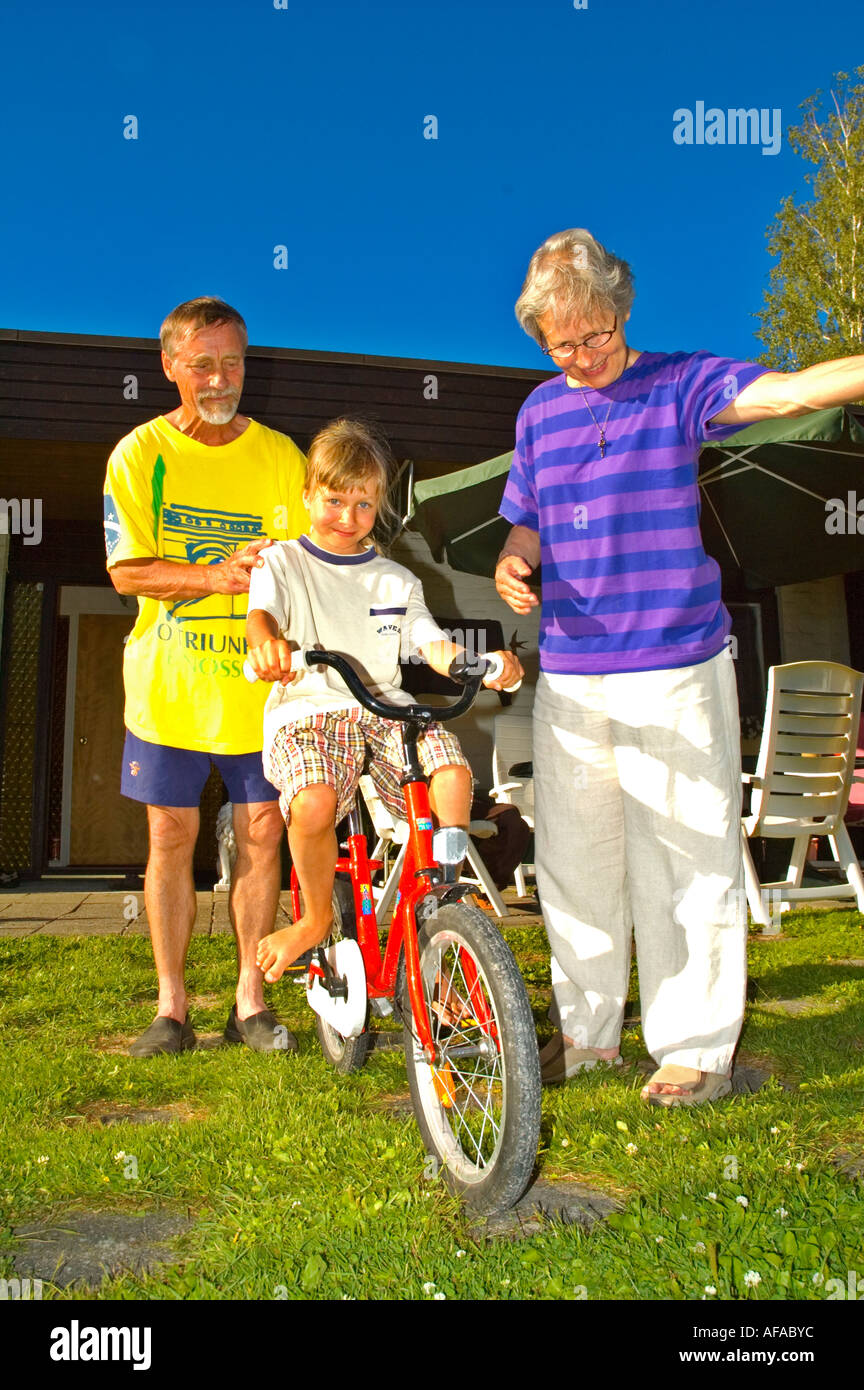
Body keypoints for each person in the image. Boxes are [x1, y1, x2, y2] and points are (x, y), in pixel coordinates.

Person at [495, 228, 864, 1106]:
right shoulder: (539, 413)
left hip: (678, 663)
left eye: (597, 335)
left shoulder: (680, 381)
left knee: (686, 855)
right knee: (576, 863)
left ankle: (693, 1047)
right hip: (576, 675)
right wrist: (515, 559)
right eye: (563, 344)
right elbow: (525, 519)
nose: (583, 357)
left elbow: (789, 393)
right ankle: (585, 1036)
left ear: (623, 311)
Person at [245, 418, 523, 981]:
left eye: (364, 505)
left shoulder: (397, 580)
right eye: (334, 500)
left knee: (451, 774)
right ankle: (316, 918)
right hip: (310, 710)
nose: (348, 518)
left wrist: (484, 666)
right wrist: (268, 645)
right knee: (315, 803)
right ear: (306, 496)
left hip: (387, 712)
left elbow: (430, 644)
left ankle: (442, 898)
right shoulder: (281, 562)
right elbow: (262, 616)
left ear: (380, 507)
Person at [104, 297, 308, 1056]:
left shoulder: (284, 458)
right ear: (170, 366)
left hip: (263, 694)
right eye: (203, 364)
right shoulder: (139, 454)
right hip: (170, 692)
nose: (221, 379)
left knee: (263, 831)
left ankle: (250, 1002)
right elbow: (126, 573)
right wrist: (219, 576)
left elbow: (306, 568)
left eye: (233, 362)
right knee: (170, 834)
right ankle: (173, 1007)